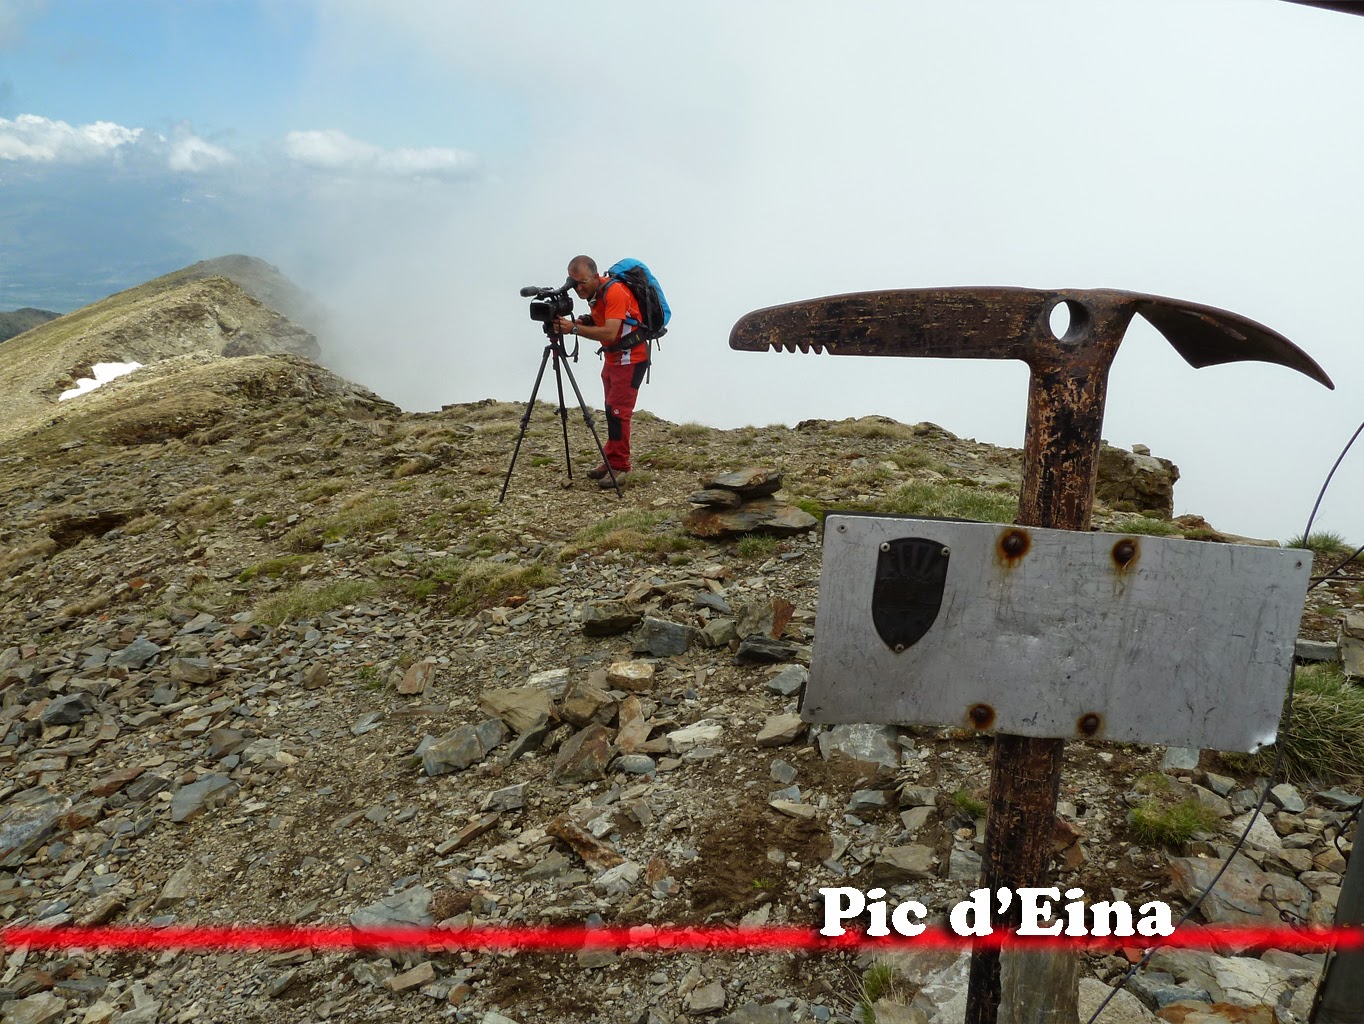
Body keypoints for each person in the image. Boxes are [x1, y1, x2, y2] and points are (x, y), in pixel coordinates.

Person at [555, 255, 648, 487]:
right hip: (613, 358)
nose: (578, 288)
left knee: (618, 411)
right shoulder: (596, 294)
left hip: (630, 359)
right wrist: (583, 320)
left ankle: (621, 466)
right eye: (573, 282)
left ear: (596, 276)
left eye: (583, 282)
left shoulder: (613, 291)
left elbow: (609, 332)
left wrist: (574, 329)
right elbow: (603, 320)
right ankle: (611, 459)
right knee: (611, 409)